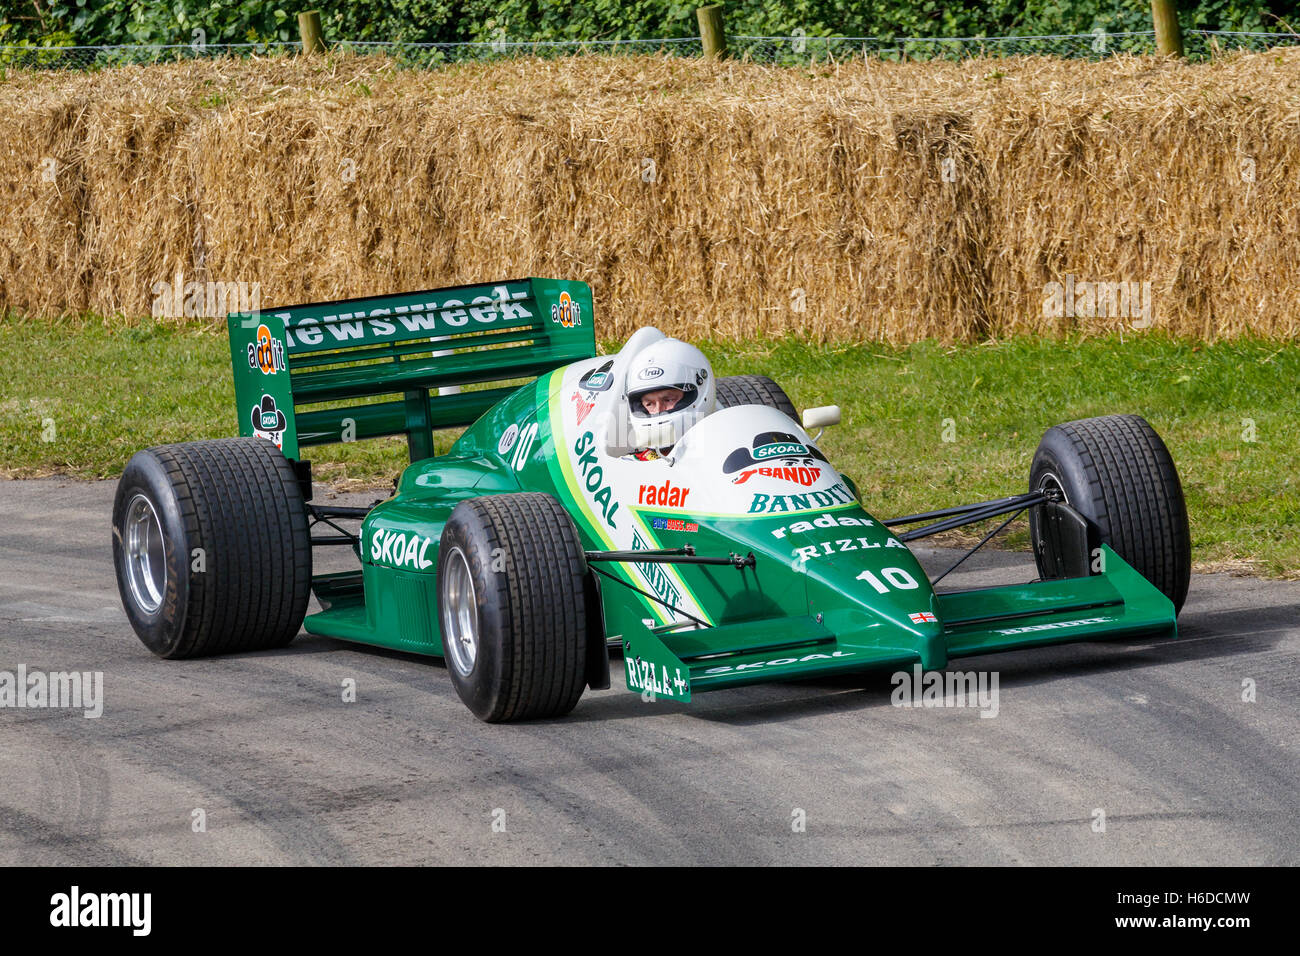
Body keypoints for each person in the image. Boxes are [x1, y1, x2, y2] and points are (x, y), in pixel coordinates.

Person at [622, 338, 715, 460]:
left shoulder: (720, 451)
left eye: (668, 399)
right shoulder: (630, 466)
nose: (659, 410)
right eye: (649, 403)